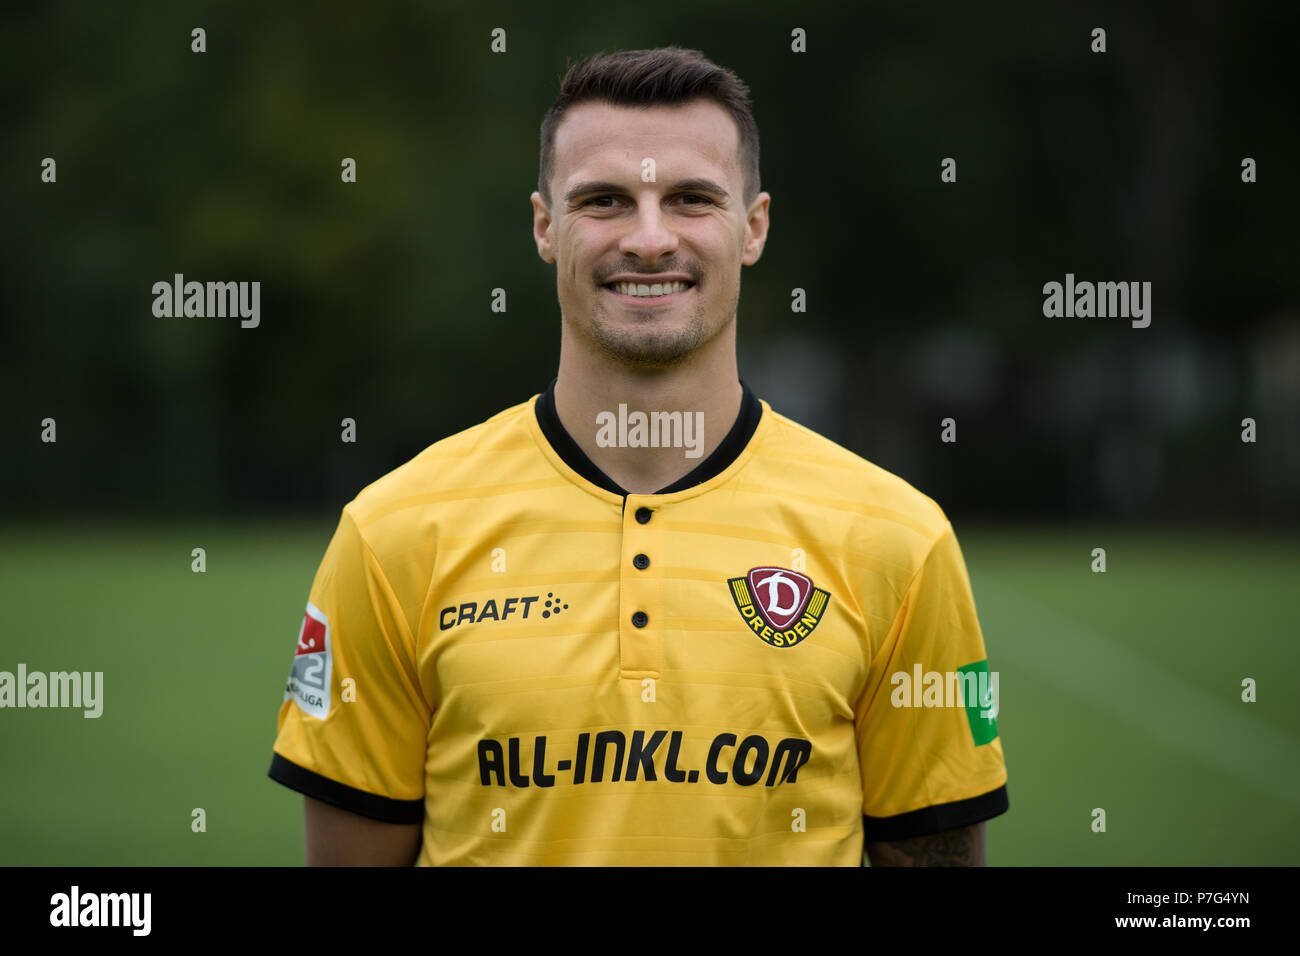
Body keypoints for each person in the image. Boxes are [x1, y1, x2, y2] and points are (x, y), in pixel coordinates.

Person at [268, 45, 1008, 866]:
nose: (650, 240)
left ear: (753, 227)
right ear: (546, 227)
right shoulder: (392, 534)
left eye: (691, 199)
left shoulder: (899, 540)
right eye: (605, 201)